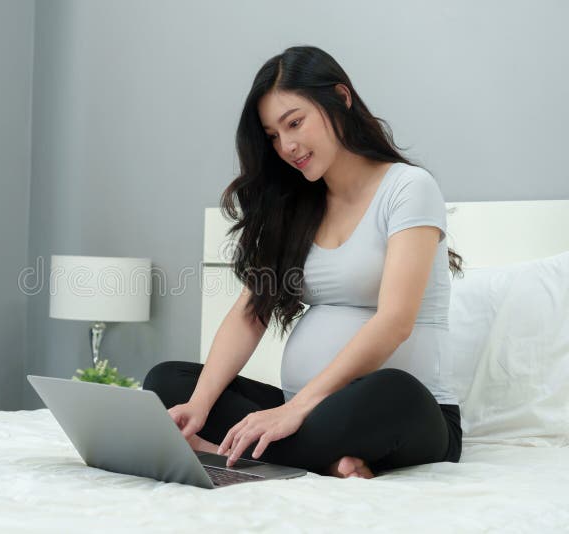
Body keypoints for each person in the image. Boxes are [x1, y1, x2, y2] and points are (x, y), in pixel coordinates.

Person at [143, 45, 465, 479]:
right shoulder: (296, 205)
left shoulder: (409, 188)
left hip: (404, 413)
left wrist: (295, 410)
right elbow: (250, 314)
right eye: (273, 136)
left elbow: (394, 323)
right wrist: (198, 407)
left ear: (341, 98)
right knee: (167, 382)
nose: (287, 146)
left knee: (394, 393)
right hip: (305, 412)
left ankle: (226, 452)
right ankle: (325, 460)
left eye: (294, 122)